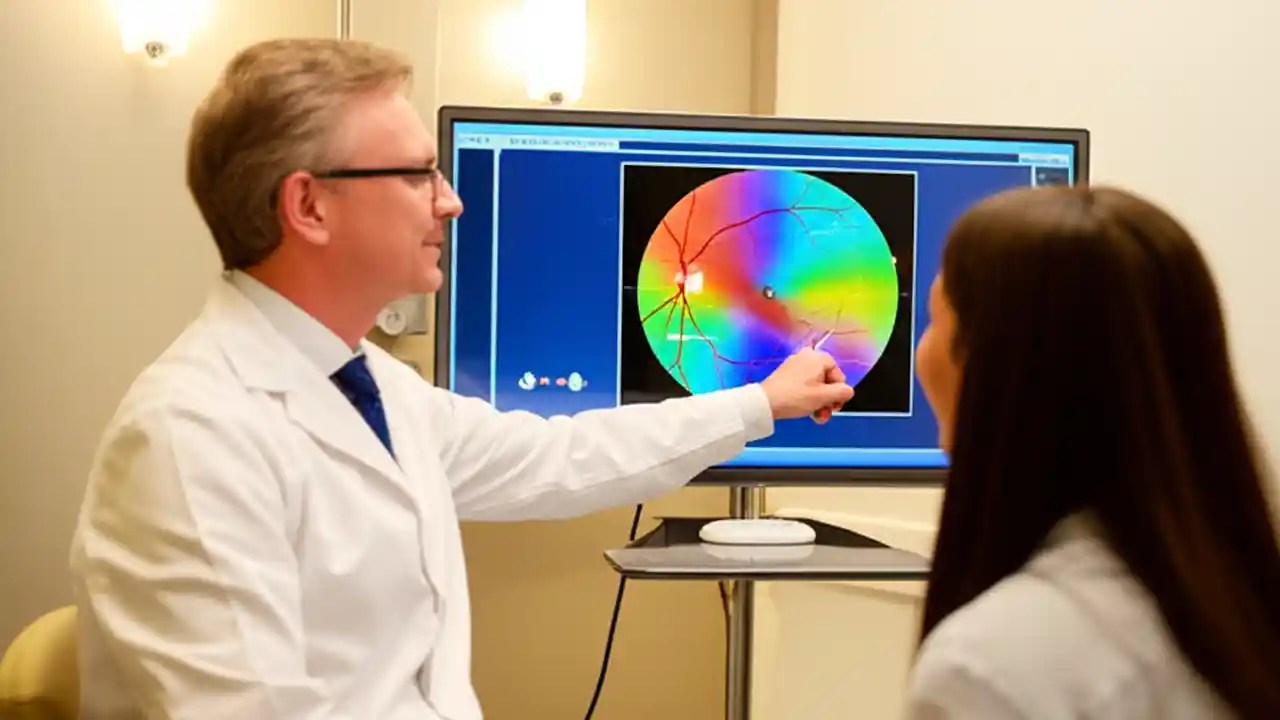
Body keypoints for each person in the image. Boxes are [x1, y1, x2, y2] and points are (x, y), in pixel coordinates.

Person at [67, 38, 853, 719]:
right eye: (418, 174)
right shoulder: (190, 439)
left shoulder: (370, 385)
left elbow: (559, 457)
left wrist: (761, 402)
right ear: (308, 206)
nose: (451, 200)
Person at [904, 184, 1280, 718]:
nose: (922, 352)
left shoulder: (988, 669)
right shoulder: (1240, 610)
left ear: (996, 371)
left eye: (935, 321)